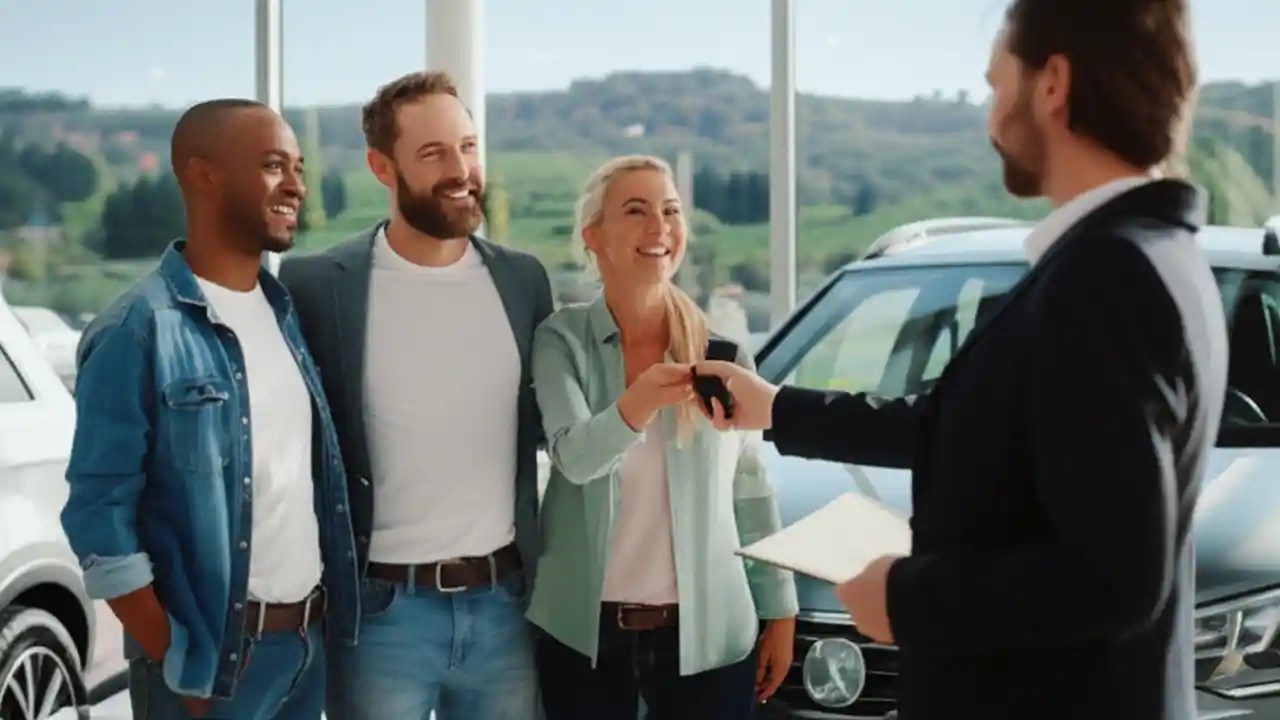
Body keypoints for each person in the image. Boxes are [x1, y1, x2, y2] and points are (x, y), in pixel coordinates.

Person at [695, 0, 1225, 718]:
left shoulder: (1107, 278)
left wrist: (902, 596)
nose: (989, 118)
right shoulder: (1152, 256)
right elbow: (980, 437)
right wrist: (777, 408)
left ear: (1052, 84)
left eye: (995, 83)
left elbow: (1113, 578)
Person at [60, 99, 359, 719]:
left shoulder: (285, 314)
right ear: (204, 175)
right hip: (214, 669)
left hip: (307, 651)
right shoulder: (137, 328)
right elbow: (97, 518)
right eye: (275, 165)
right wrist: (181, 664)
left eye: (298, 167)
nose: (297, 185)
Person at [279, 71, 553, 720]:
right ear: (382, 167)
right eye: (433, 154)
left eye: (468, 146)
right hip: (381, 615)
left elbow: (553, 428)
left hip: (505, 607)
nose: (461, 169)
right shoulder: (318, 287)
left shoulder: (522, 281)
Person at [528, 154, 798, 720]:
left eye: (671, 211)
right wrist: (641, 399)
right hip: (585, 639)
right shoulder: (562, 341)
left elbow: (749, 488)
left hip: (711, 641)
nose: (660, 227)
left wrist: (780, 607)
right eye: (637, 210)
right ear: (594, 237)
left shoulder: (723, 354)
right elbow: (575, 457)